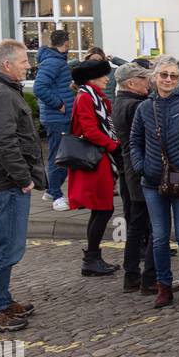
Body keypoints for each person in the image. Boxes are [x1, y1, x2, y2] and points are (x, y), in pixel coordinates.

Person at [0, 39, 45, 332]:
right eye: (24, 61)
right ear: (7, 64)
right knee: (7, 248)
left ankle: (0, 300)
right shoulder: (1, 94)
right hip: (5, 184)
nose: (28, 66)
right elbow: (2, 142)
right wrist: (23, 178)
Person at [130, 55, 179, 308]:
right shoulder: (144, 108)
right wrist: (141, 166)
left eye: (173, 76)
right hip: (152, 182)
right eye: (163, 75)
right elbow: (134, 141)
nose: (168, 80)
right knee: (160, 236)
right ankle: (163, 287)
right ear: (154, 78)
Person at [62, 57, 121, 278]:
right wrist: (113, 146)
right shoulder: (86, 98)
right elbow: (90, 130)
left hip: (98, 158)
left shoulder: (92, 96)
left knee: (102, 208)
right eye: (103, 75)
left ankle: (93, 257)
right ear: (91, 78)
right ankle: (91, 259)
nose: (107, 79)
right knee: (103, 208)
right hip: (94, 160)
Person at [112, 62, 157, 294]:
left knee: (137, 226)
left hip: (130, 172)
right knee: (153, 226)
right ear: (131, 83)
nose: (148, 83)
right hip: (141, 172)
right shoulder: (136, 105)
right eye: (144, 79)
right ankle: (150, 279)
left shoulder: (122, 102)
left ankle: (132, 276)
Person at [33, 29, 74, 211]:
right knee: (60, 156)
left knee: (58, 155)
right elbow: (39, 87)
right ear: (65, 43)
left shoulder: (54, 61)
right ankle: (56, 195)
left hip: (57, 117)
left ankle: (51, 190)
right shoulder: (53, 62)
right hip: (58, 117)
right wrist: (59, 104)